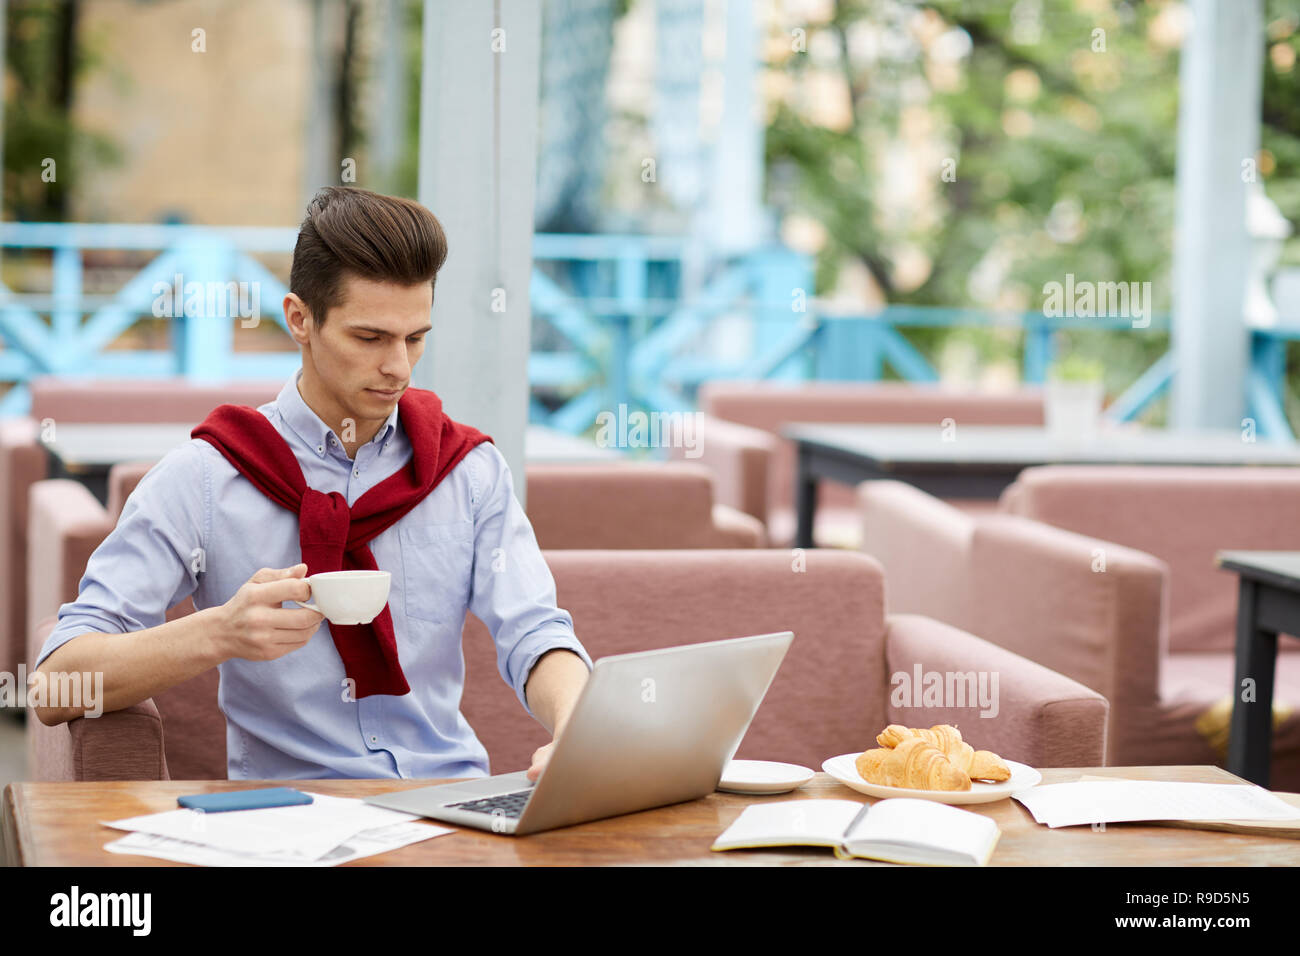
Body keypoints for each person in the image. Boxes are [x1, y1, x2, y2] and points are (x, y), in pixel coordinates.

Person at [32, 186, 592, 783]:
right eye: (369, 338)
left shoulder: (467, 471)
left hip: (450, 808)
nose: (399, 367)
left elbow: (534, 631)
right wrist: (219, 631)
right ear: (300, 319)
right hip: (293, 820)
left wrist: (577, 730)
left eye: (415, 338)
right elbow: (55, 684)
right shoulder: (207, 477)